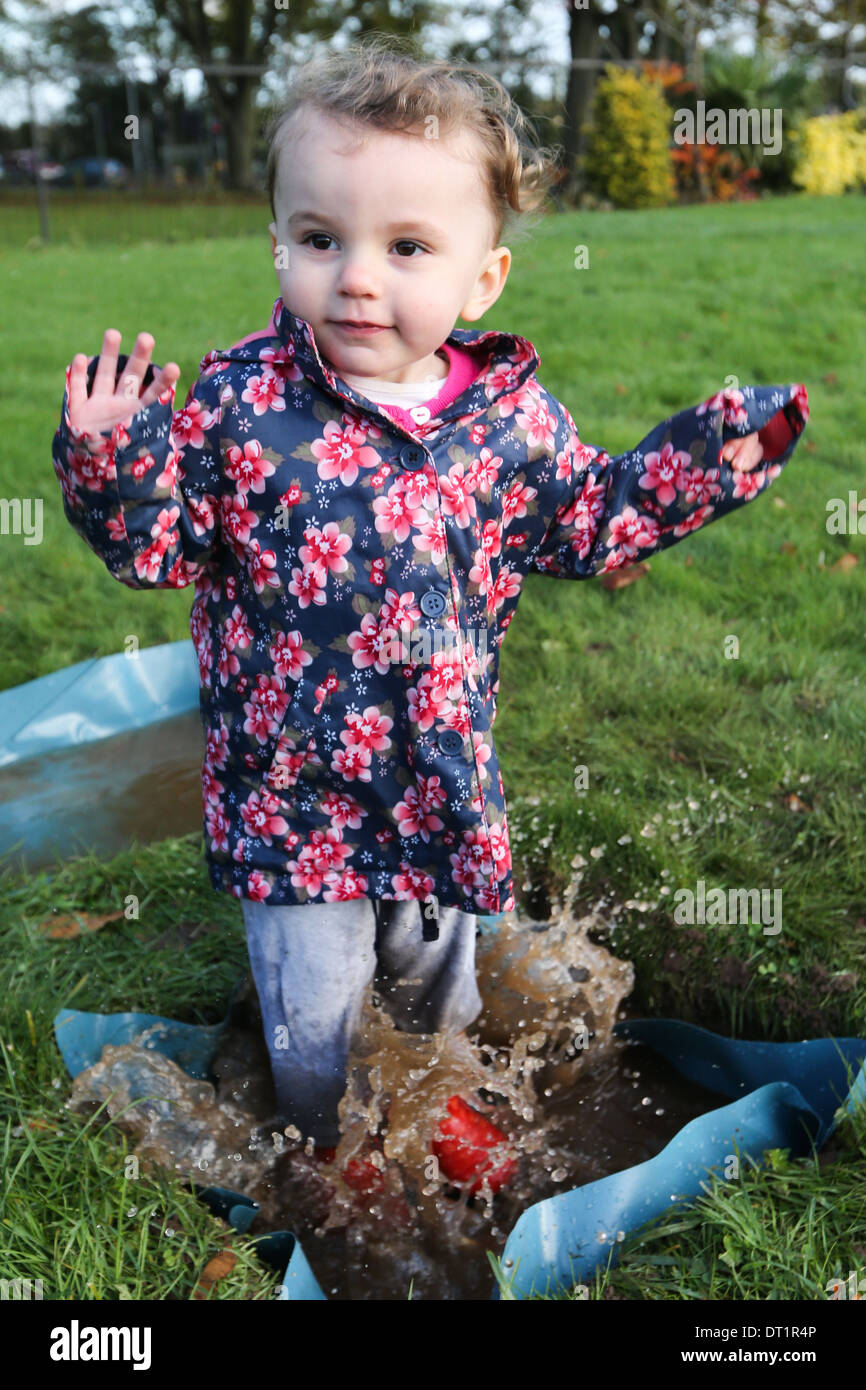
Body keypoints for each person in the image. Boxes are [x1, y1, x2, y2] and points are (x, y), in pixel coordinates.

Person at [51, 37, 809, 1195]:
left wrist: (705, 461)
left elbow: (591, 523)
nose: (356, 276)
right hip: (288, 793)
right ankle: (333, 1165)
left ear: (481, 278)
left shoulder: (511, 422)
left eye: (405, 247)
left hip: (439, 787)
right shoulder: (242, 402)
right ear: (278, 243)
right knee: (314, 1029)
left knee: (437, 1002)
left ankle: (443, 1116)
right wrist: (114, 460)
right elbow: (158, 550)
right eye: (320, 239)